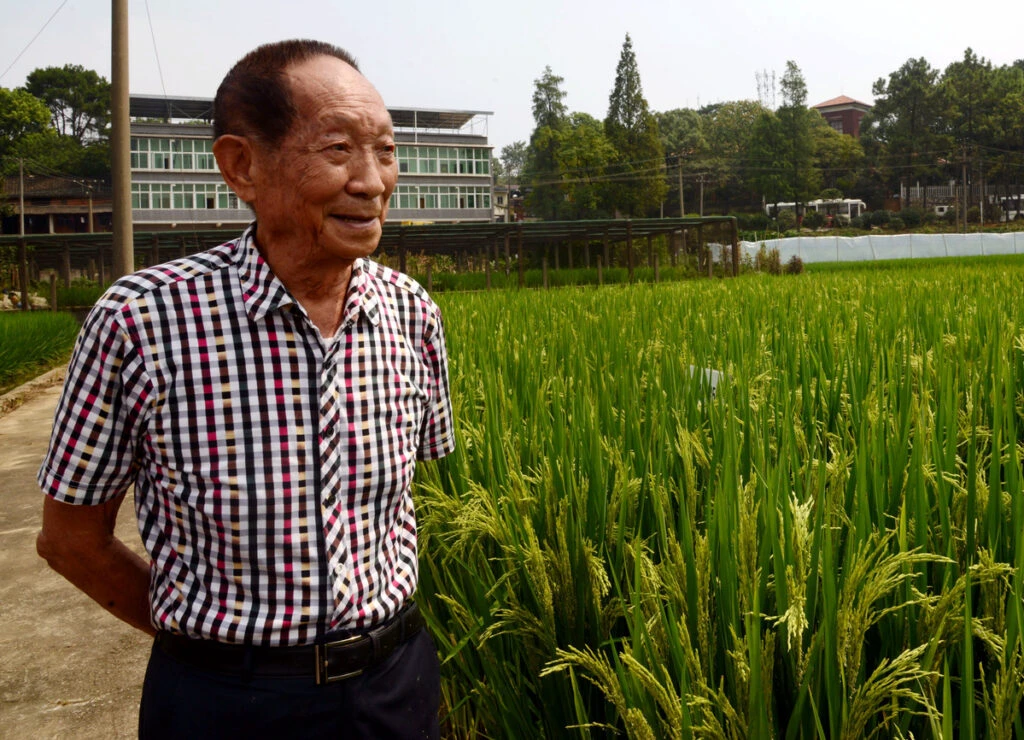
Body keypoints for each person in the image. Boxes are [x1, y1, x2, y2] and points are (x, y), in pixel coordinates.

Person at [36, 39, 454, 739]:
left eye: (384, 149)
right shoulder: (142, 321)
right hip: (222, 705)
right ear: (242, 166)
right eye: (339, 149)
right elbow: (69, 540)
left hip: (394, 687)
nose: (373, 180)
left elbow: (399, 506)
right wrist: (210, 649)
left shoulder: (412, 314)